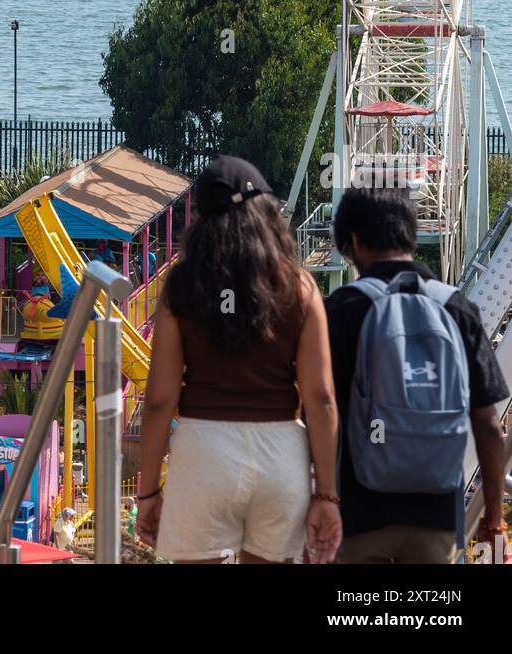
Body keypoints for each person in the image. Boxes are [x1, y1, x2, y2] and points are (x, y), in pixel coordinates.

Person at [138, 155, 342, 565]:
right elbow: (319, 398)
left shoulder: (183, 285)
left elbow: (160, 399)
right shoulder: (298, 286)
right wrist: (327, 495)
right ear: (267, 211)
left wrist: (147, 491)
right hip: (280, 453)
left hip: (203, 452)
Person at [326, 187, 509, 565]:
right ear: (411, 234)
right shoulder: (458, 309)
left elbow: (319, 407)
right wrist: (494, 518)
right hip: (438, 515)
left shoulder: (342, 309)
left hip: (359, 516)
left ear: (354, 241)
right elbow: (489, 426)